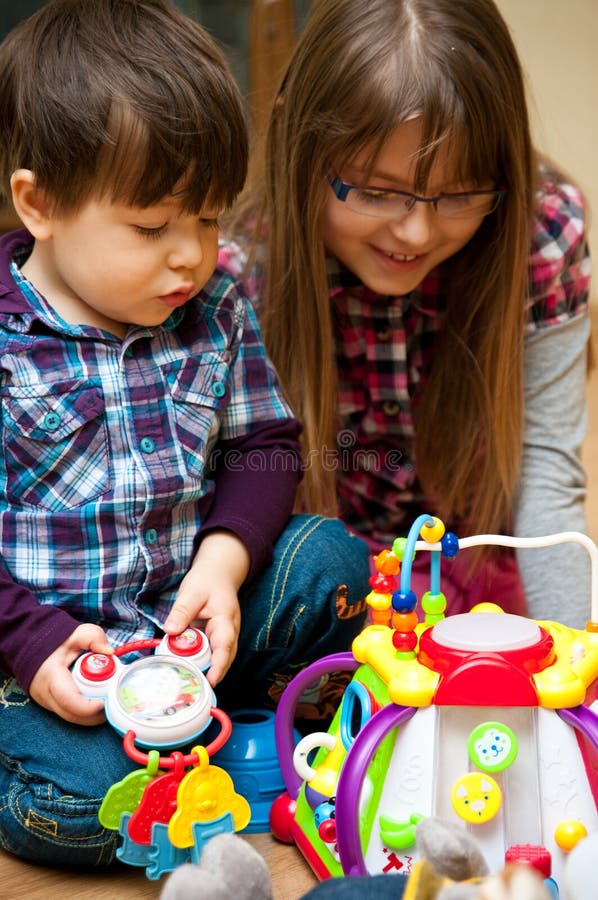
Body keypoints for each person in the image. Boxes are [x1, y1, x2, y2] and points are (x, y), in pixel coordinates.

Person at [0, 0, 370, 868]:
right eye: (152, 226)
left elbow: (264, 444)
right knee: (88, 807)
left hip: (187, 620)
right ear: (40, 203)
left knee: (331, 561)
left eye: (207, 219)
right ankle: (126, 752)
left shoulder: (216, 307)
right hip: (39, 660)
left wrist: (223, 565)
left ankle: (202, 724)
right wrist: (29, 643)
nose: (190, 256)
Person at [220, 0, 593, 629]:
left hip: (478, 562)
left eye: (460, 193)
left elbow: (547, 472)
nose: (415, 233)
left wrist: (576, 658)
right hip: (325, 578)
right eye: (375, 191)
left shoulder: (543, 236)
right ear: (294, 141)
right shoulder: (235, 278)